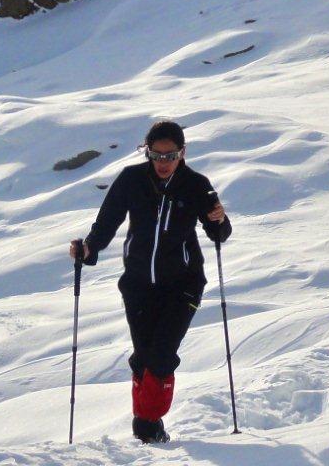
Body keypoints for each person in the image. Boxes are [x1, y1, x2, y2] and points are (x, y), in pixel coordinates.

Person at [69, 120, 231, 444]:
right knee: (144, 357)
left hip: (183, 284)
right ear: (147, 152)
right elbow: (106, 222)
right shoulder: (131, 180)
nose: (162, 163)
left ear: (182, 153)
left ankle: (147, 424)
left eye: (169, 156)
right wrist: (88, 249)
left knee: (160, 356)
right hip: (138, 285)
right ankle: (148, 425)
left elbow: (218, 234)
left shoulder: (196, 185)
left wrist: (220, 220)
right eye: (155, 156)